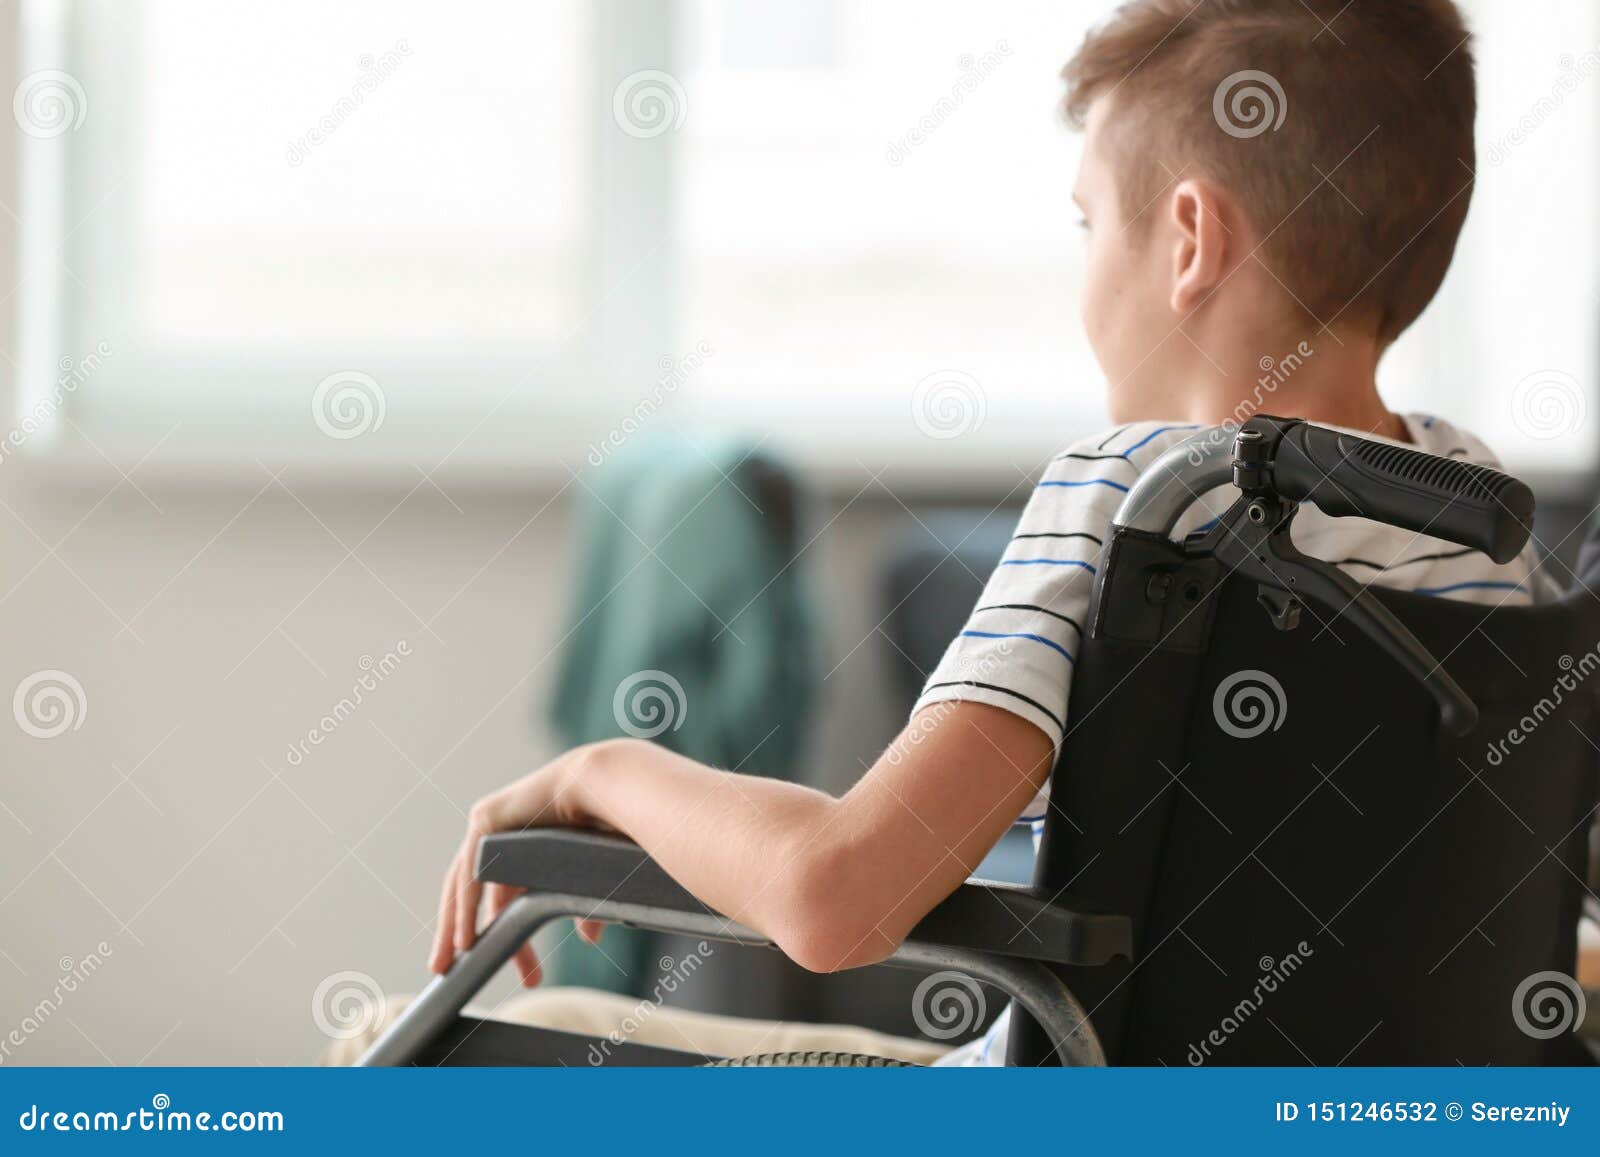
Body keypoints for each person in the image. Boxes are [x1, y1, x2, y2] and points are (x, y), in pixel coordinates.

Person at [426, 0, 1564, 1065]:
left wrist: (601, 767)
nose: (1083, 279)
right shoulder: (1481, 515)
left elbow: (837, 895)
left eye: (1085, 225)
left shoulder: (1142, 503)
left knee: (467, 1034)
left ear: (1188, 240)